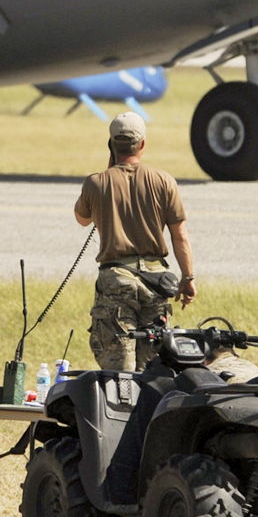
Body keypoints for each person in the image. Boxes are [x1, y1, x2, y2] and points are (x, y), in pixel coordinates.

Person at [74, 111, 195, 371]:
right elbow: (180, 235)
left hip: (116, 280)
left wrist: (108, 177)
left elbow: (82, 219)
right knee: (153, 369)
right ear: (142, 144)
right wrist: (187, 277)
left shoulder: (96, 183)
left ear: (111, 144)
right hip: (156, 282)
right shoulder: (164, 180)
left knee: (119, 371)